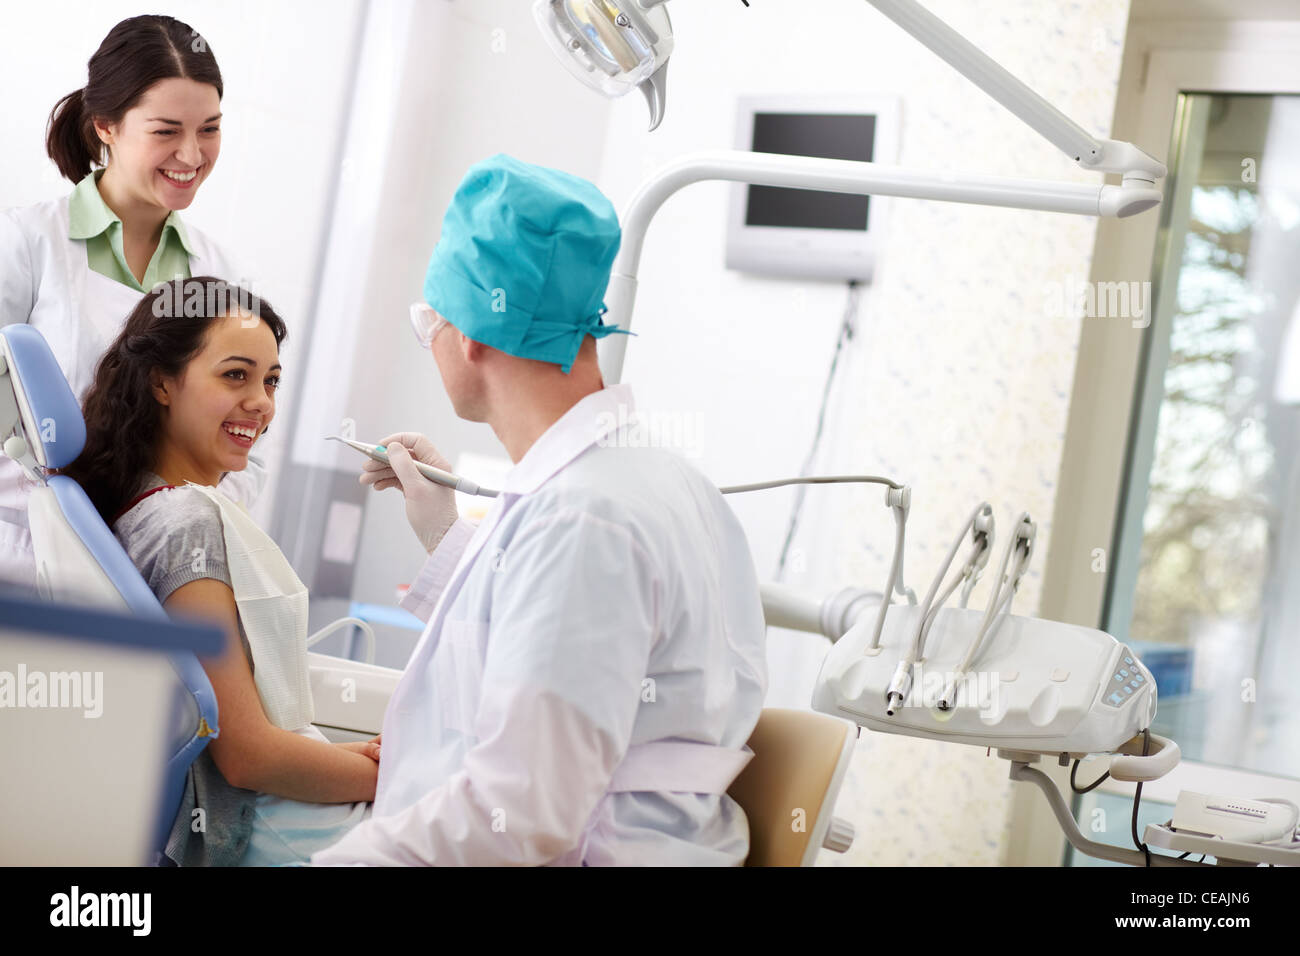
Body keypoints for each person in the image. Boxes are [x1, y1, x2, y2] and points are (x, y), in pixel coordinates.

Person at [311, 154, 768, 866]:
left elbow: (518, 815)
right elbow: (544, 635)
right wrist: (442, 528)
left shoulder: (583, 521)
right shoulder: (657, 482)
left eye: (426, 320)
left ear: (467, 332)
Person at [60, 277, 374, 866]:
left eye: (271, 380)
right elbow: (247, 756)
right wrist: (396, 775)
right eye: (236, 375)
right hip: (261, 818)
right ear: (161, 382)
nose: (262, 402)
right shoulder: (186, 523)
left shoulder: (150, 507)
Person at [0, 14, 264, 593]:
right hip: (17, 562)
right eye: (166, 131)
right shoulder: (26, 244)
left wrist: (167, 527)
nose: (192, 155)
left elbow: (246, 452)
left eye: (210, 129)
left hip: (148, 581)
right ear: (107, 127)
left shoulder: (220, 277)